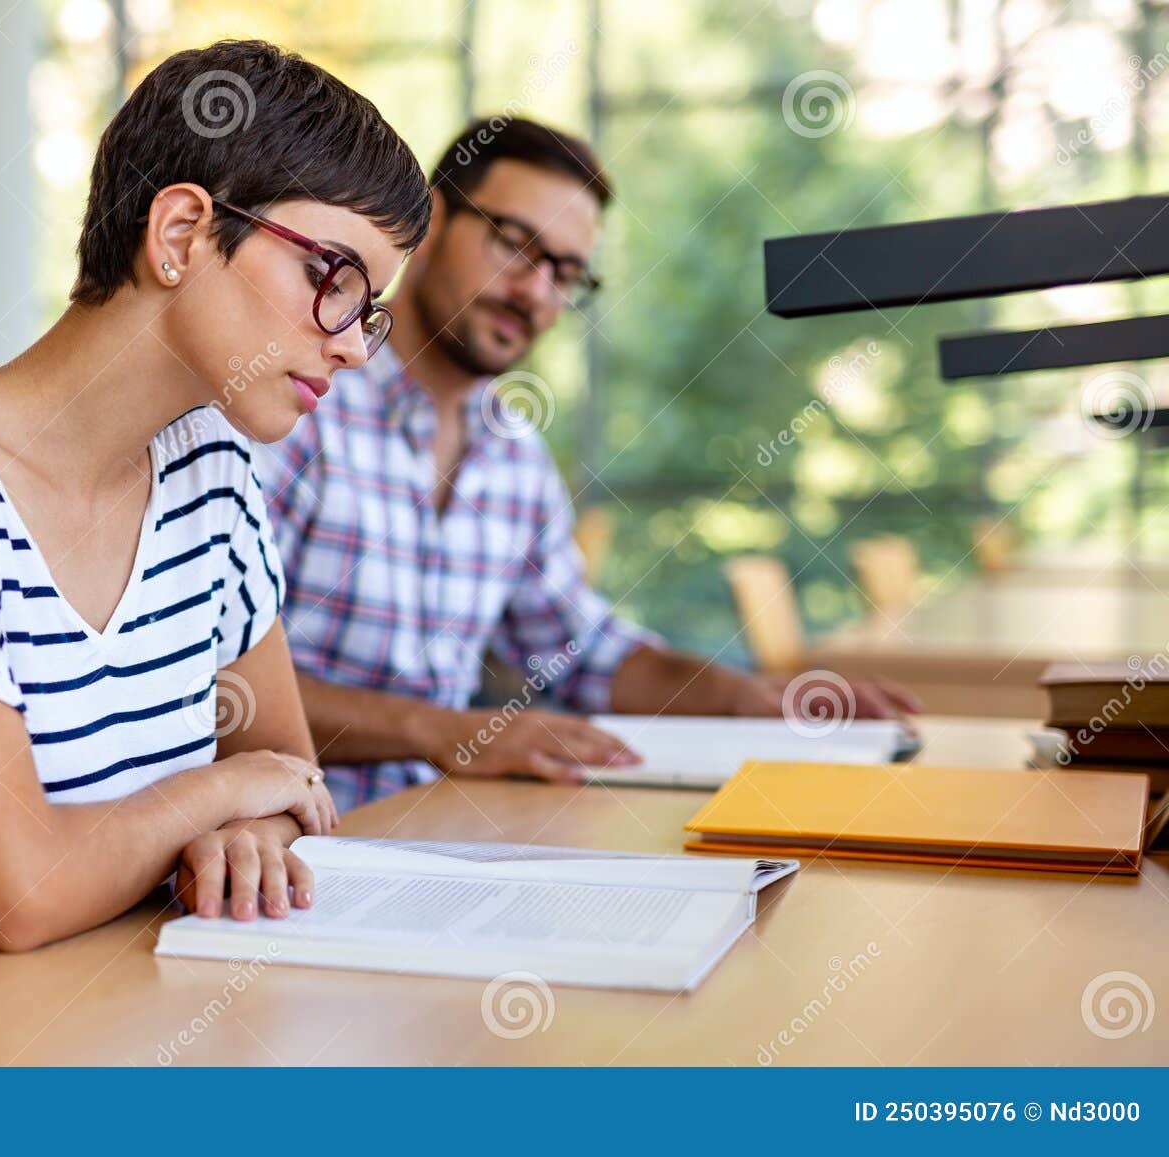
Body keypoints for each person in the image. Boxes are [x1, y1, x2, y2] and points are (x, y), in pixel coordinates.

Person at [0, 39, 430, 1033]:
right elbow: (16, 892)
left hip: (125, 1020)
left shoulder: (212, 472)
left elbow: (294, 779)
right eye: (333, 277)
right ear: (185, 230)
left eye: (368, 309)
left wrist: (246, 818)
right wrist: (226, 789)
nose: (350, 344)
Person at [255, 116, 918, 811]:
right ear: (433, 217)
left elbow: (587, 652)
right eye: (515, 245)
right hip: (277, 854)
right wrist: (446, 732)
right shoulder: (296, 406)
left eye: (567, 273)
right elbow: (215, 679)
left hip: (429, 844)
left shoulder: (515, 460)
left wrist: (747, 698)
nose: (537, 292)